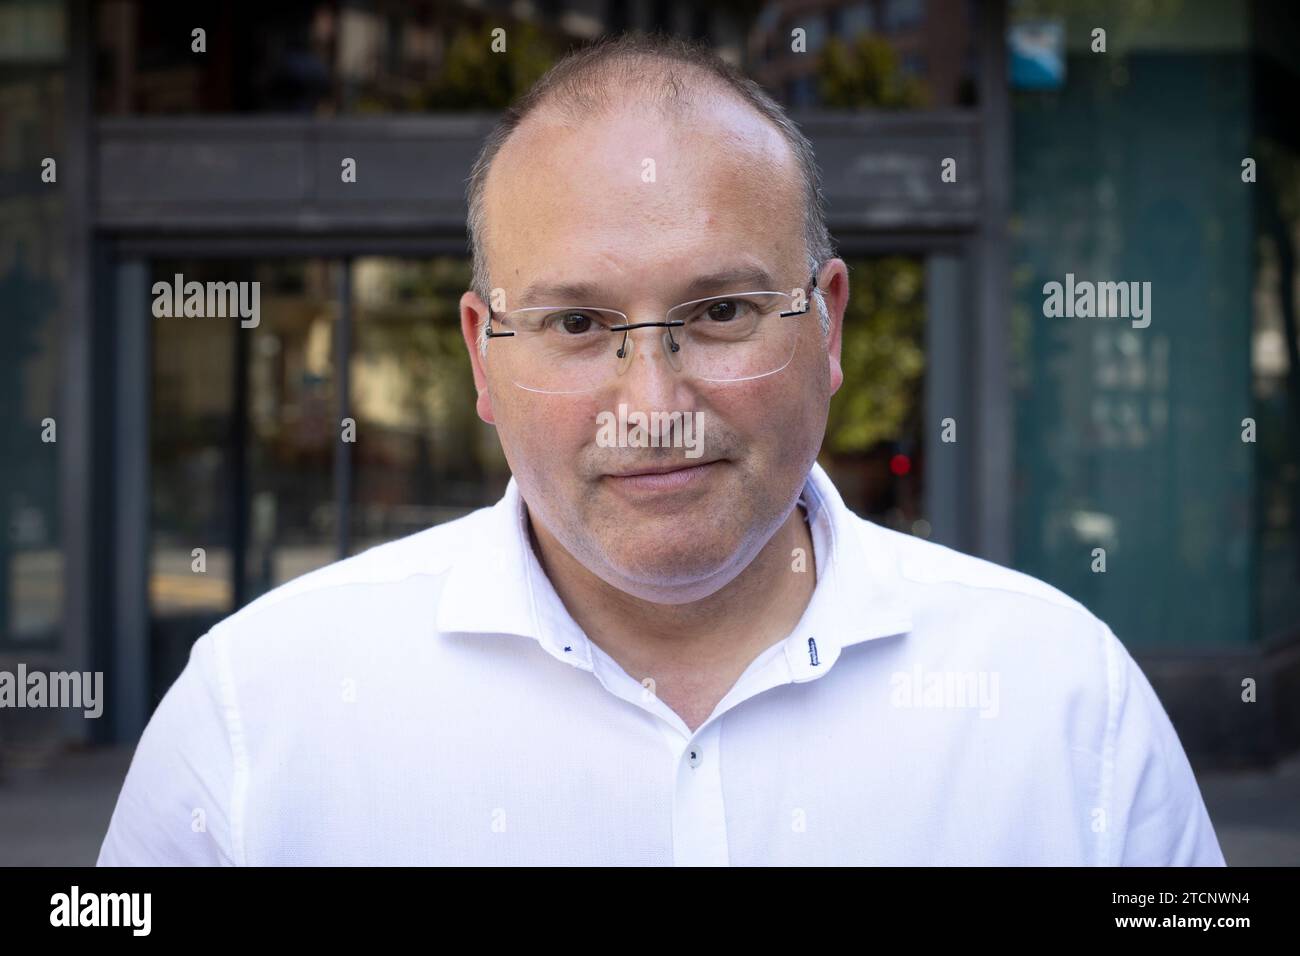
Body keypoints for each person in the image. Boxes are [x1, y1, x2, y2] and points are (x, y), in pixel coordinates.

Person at [98, 33, 1224, 866]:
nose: (653, 402)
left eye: (722, 311)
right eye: (578, 324)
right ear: (483, 358)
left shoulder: (1067, 701)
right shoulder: (256, 710)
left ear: (826, 322)